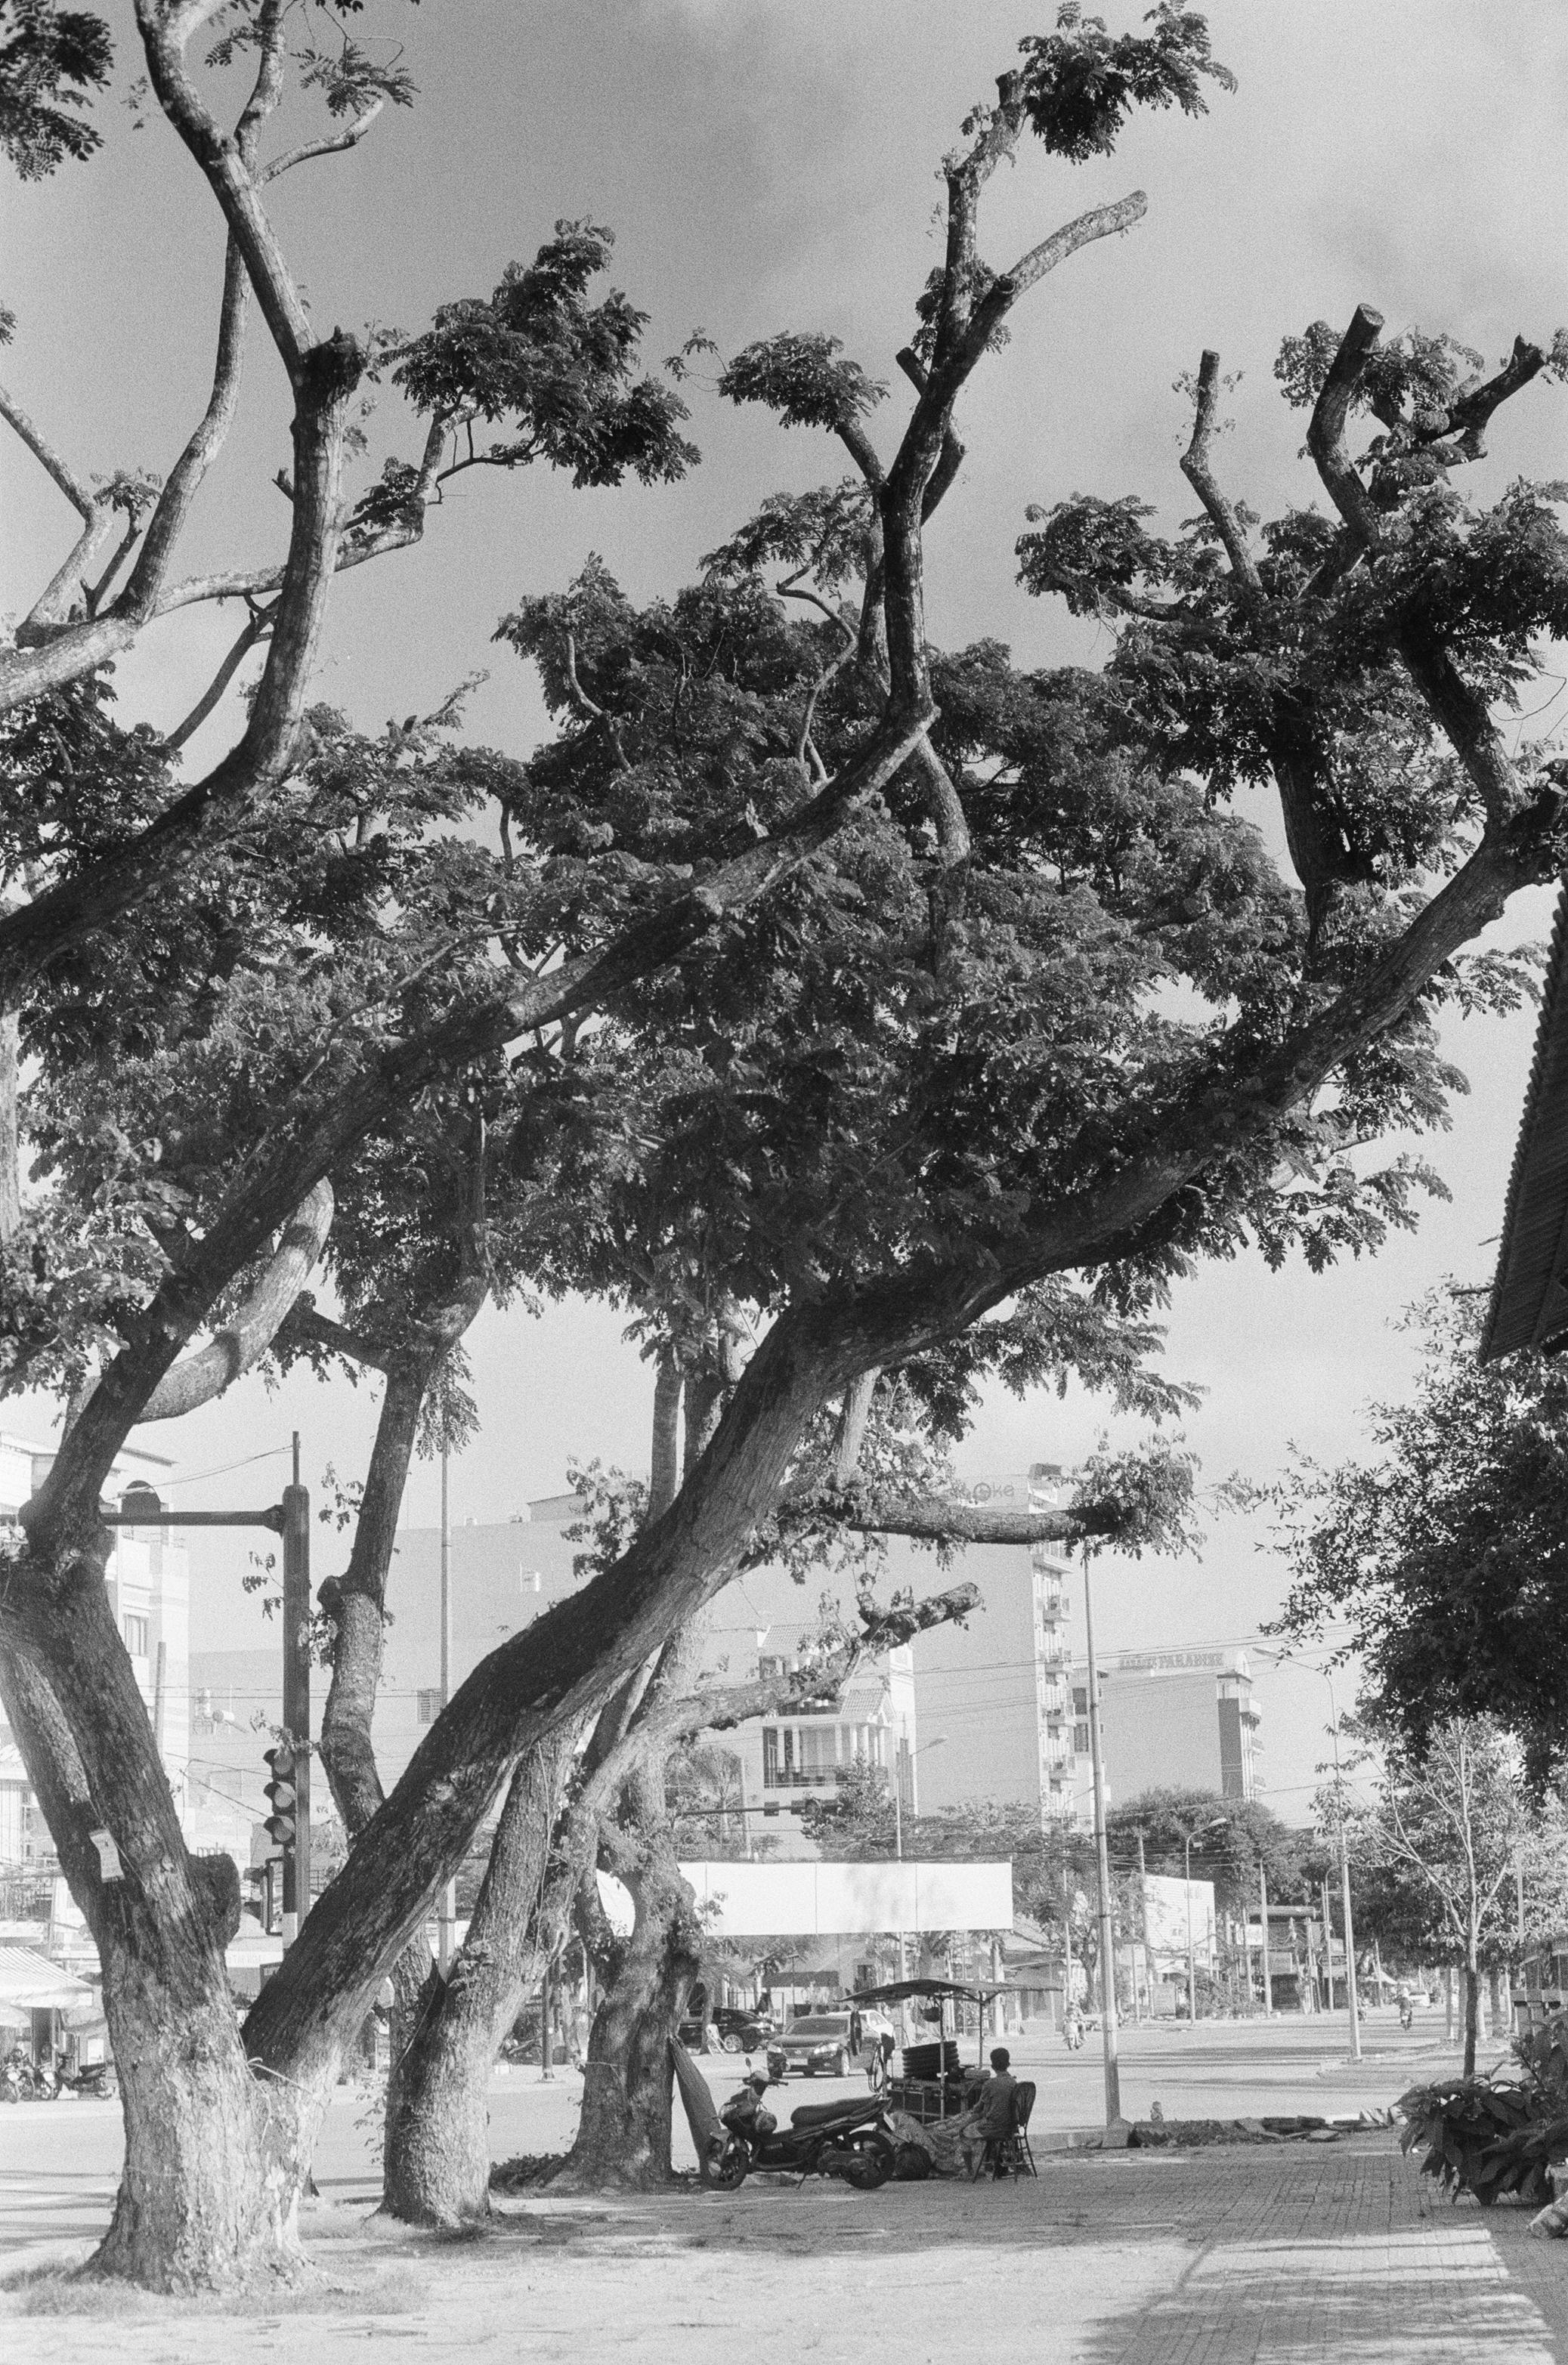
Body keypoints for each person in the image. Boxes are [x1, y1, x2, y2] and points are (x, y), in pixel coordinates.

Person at [958, 2047, 1019, 2181]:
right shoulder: (1014, 2083)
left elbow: (979, 2110)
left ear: (992, 2066)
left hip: (993, 2128)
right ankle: (993, 2164)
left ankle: (970, 2171)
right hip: (1010, 2127)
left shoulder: (990, 2084)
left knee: (963, 2133)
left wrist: (965, 2123)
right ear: (1008, 2064)